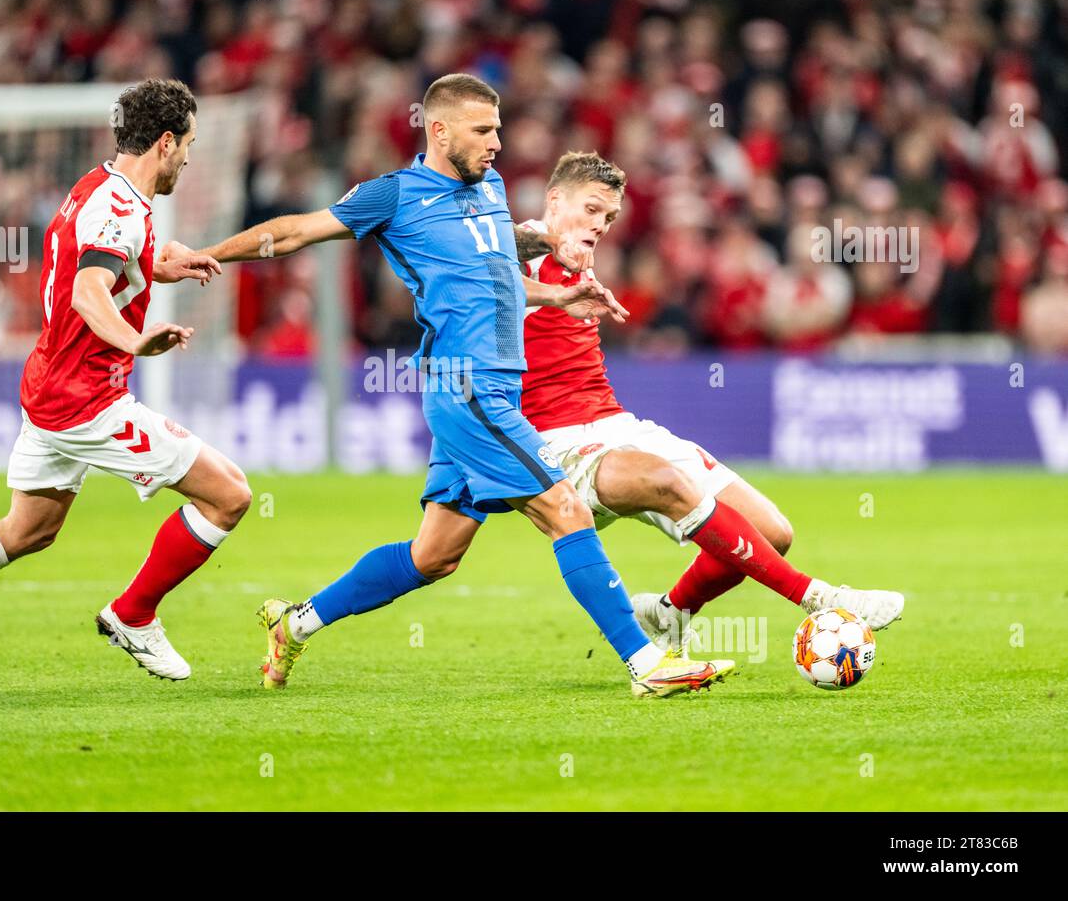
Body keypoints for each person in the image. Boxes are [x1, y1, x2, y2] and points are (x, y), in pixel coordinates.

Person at [174, 74, 738, 698]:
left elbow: (492, 263)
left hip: (487, 386)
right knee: (566, 509)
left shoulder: (488, 186)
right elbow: (298, 231)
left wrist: (555, 293)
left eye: (497, 129)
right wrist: (208, 254)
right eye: (483, 130)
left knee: (433, 555)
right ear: (438, 130)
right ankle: (646, 664)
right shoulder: (393, 196)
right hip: (468, 386)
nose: (497, 142)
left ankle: (295, 622)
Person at [0, 78, 244, 697]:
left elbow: (101, 268)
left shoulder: (100, 188)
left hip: (49, 388)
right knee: (230, 495)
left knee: (27, 530)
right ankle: (134, 614)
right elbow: (91, 290)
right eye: (189, 143)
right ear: (166, 142)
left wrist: (159, 265)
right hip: (89, 401)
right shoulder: (118, 209)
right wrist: (135, 341)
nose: (192, 157)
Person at [517, 150, 905, 653]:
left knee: (772, 532)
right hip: (558, 444)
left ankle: (670, 611)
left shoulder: (581, 263)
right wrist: (550, 239)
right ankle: (820, 597)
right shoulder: (518, 245)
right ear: (554, 200)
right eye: (591, 209)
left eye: (609, 217)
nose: (600, 225)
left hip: (616, 423)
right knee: (660, 480)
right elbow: (474, 252)